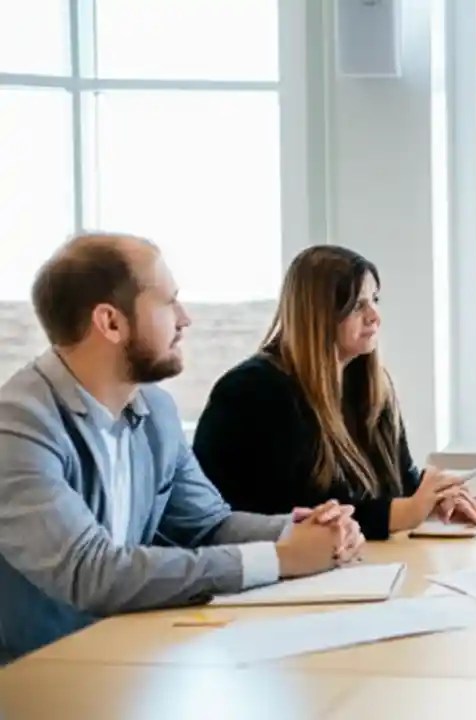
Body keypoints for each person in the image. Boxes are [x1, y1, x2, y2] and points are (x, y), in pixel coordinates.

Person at [0, 233, 362, 663]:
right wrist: (280, 557)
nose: (185, 318)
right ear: (110, 322)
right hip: (33, 677)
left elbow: (207, 524)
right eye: (169, 302)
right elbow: (90, 572)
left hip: (123, 658)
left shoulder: (155, 410)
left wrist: (305, 529)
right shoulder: (19, 425)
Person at [194, 245, 476, 541]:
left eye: (375, 300)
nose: (374, 317)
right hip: (273, 575)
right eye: (357, 305)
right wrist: (406, 511)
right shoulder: (254, 391)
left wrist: (438, 496)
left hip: (352, 565)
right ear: (318, 314)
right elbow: (305, 513)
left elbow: (400, 483)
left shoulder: (368, 384)